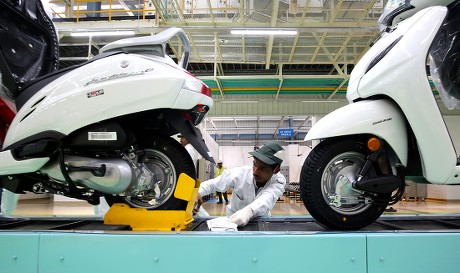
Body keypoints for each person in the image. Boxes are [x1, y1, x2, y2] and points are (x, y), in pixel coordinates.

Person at [194, 141, 286, 227]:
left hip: (261, 223)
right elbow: (212, 184)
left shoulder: (278, 181)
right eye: (254, 164)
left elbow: (268, 197)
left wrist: (249, 211)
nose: (255, 172)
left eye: (263, 169)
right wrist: (197, 193)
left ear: (276, 170)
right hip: (232, 223)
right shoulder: (239, 173)